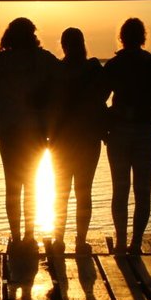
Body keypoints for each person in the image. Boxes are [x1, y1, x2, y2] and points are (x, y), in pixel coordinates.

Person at [0, 17, 59, 248]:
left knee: (12, 185)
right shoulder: (44, 59)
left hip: (8, 130)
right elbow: (63, 81)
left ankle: (16, 235)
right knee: (31, 183)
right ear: (32, 35)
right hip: (36, 130)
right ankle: (29, 234)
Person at [103, 17, 151, 254]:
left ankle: (119, 241)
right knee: (142, 190)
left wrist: (108, 117)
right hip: (145, 132)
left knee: (120, 189)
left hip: (119, 132)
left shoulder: (115, 64)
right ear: (143, 37)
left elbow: (99, 96)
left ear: (122, 37)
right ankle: (136, 242)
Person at [48, 27, 106, 255]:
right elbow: (102, 97)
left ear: (64, 45)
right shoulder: (93, 69)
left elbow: (50, 103)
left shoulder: (58, 71)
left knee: (61, 191)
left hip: (61, 140)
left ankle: (58, 238)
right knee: (84, 192)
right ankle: (81, 240)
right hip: (88, 139)